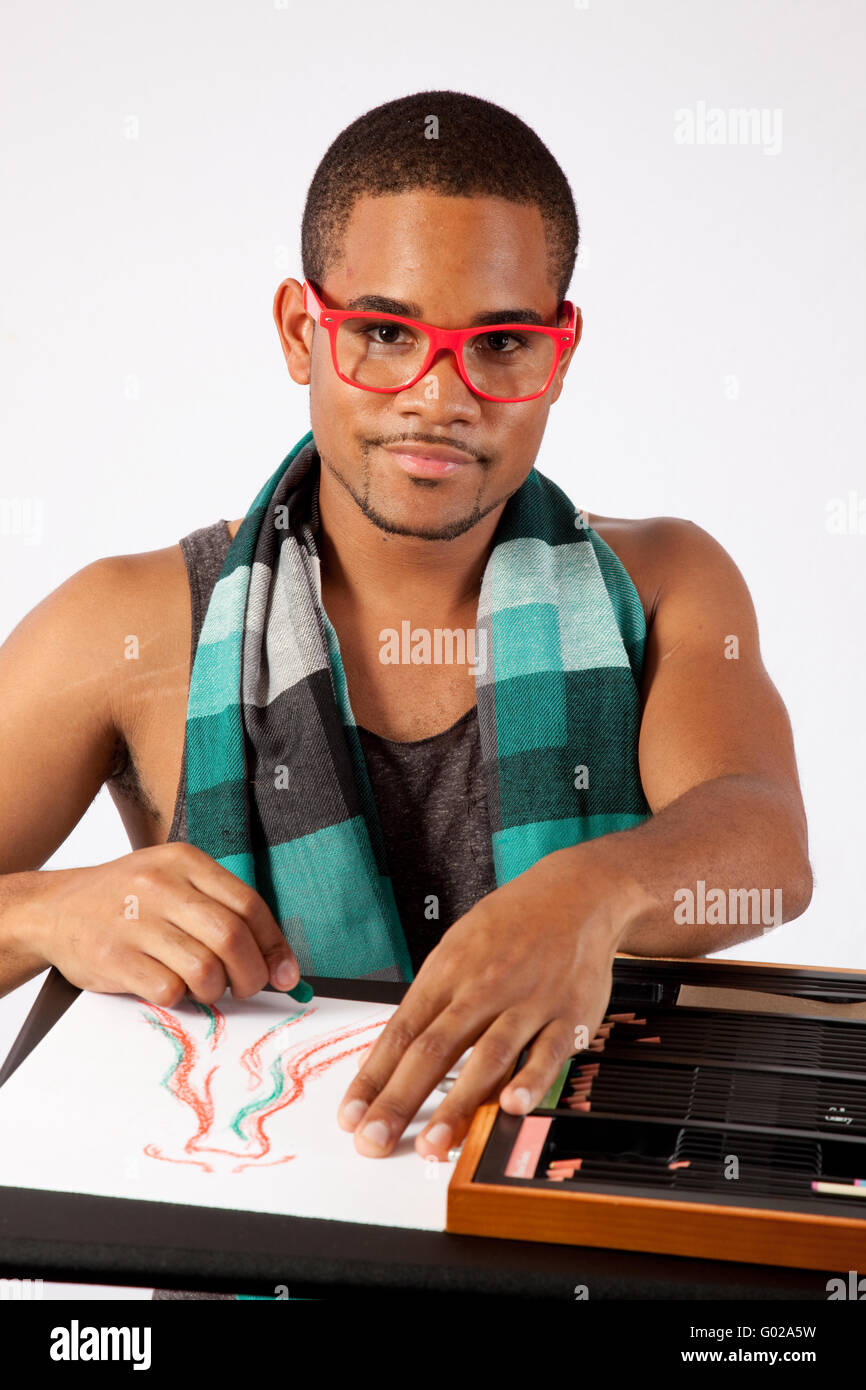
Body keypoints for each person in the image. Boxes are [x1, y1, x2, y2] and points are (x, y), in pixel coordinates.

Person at [0, 90, 811, 1297]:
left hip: (580, 1273)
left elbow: (763, 834)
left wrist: (588, 897)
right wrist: (44, 916)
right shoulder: (129, 621)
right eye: (383, 332)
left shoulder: (665, 578)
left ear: (557, 347)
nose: (440, 396)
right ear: (297, 329)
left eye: (499, 343)